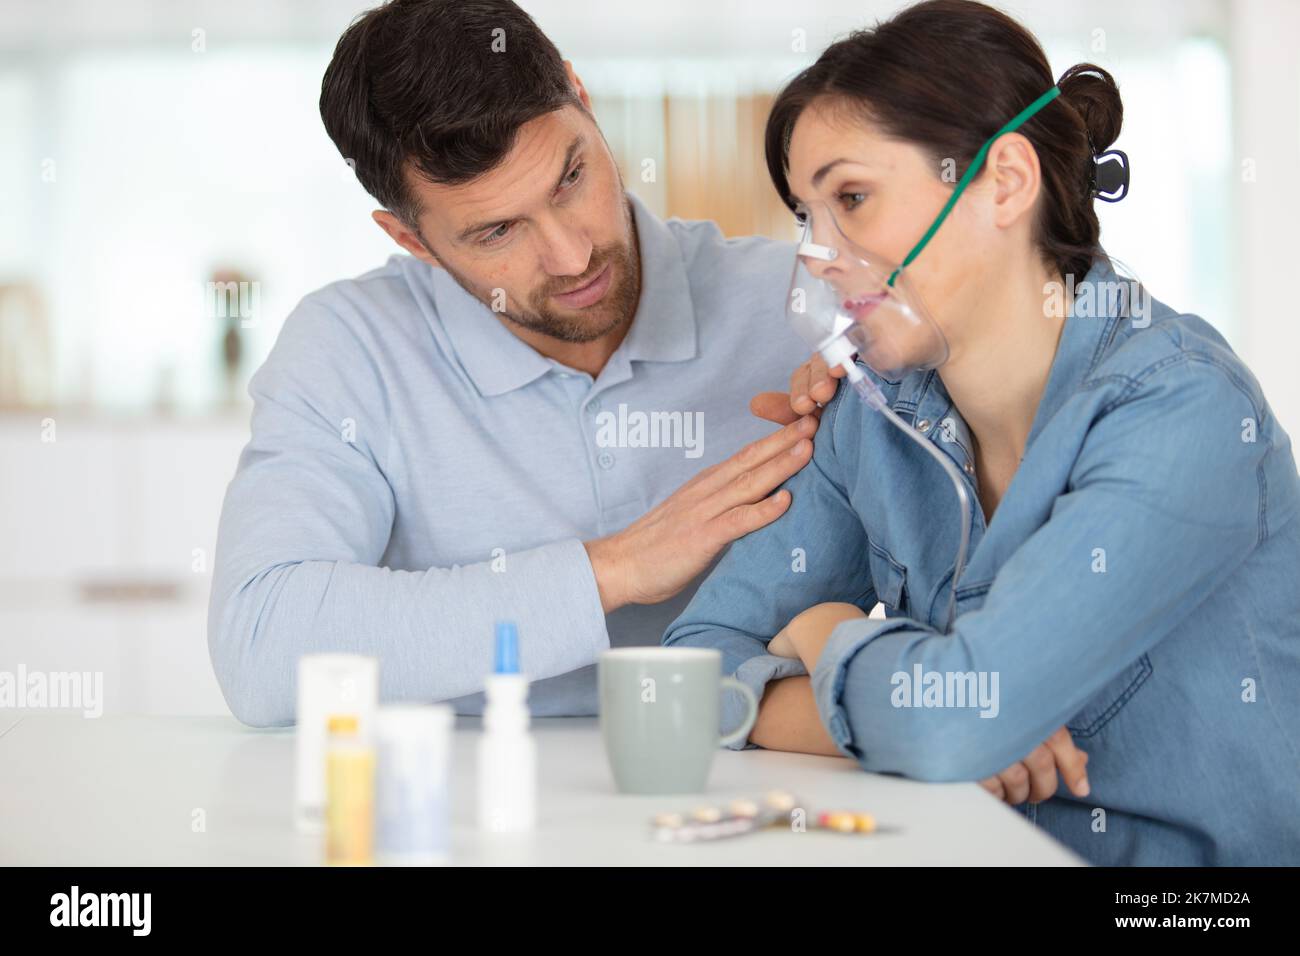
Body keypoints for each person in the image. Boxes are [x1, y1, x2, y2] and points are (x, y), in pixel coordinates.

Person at [663, 0, 1300, 865]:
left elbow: (953, 723)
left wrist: (827, 632)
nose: (817, 253)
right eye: (807, 216)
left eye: (851, 196)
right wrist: (931, 711)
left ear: (1003, 181)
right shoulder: (873, 415)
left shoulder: (1183, 411)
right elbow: (688, 670)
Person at [207, 0, 825, 726]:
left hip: (750, 797)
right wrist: (613, 571)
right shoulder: (349, 348)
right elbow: (261, 649)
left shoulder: (802, 303)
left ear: (582, 97)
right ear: (412, 239)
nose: (573, 255)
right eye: (497, 230)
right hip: (471, 816)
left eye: (570, 178)